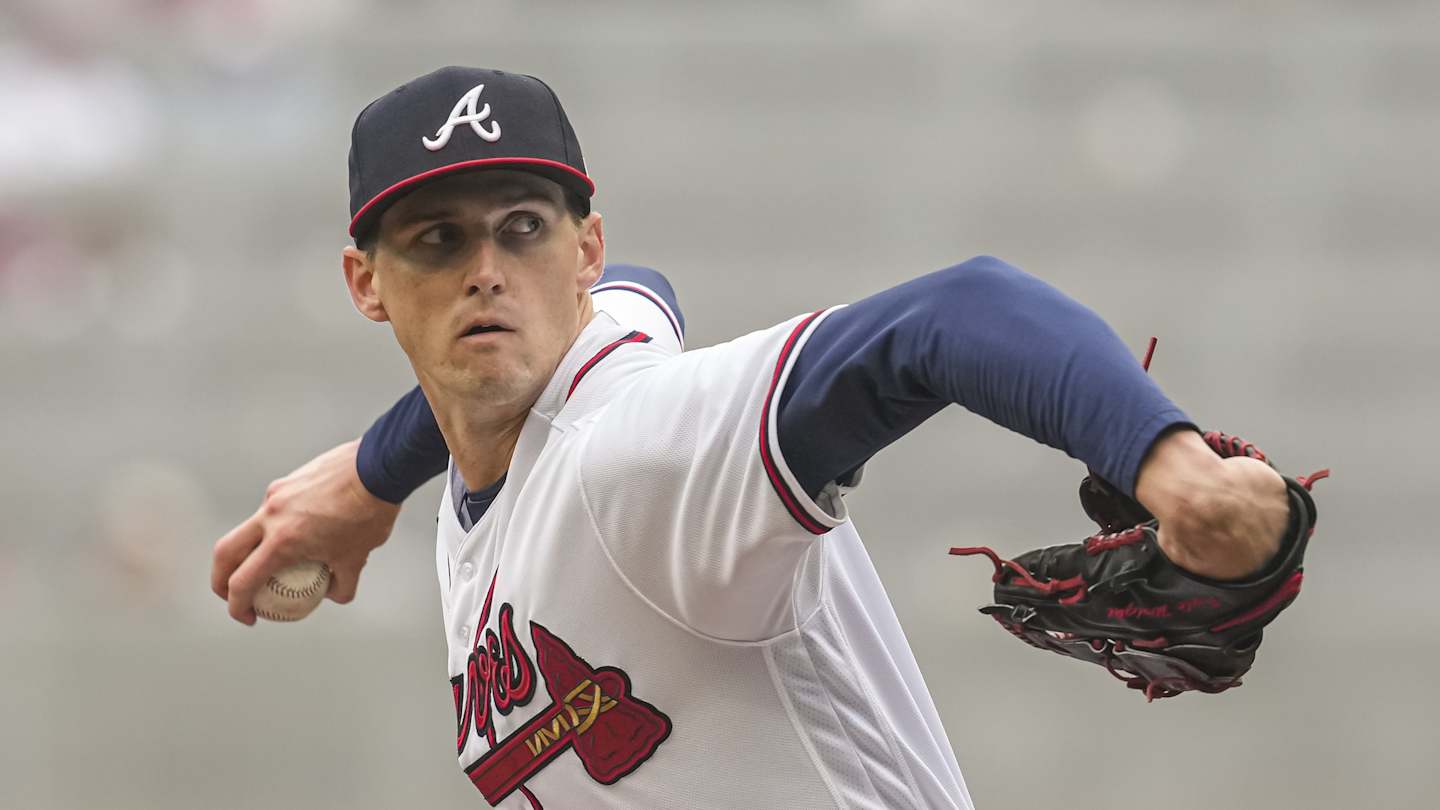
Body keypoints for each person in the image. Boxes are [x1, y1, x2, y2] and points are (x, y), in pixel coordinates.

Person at [212, 66, 1290, 809]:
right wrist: (374, 473)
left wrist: (1181, 473)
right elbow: (647, 295)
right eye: (437, 241)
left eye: (523, 227)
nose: (487, 269)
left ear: (585, 247)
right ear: (367, 284)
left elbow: (958, 315)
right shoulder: (570, 379)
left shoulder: (638, 450)